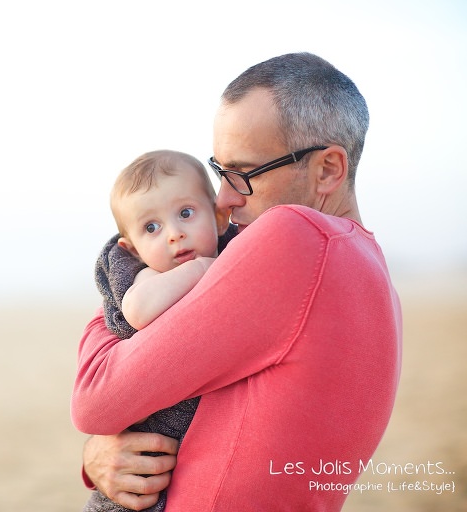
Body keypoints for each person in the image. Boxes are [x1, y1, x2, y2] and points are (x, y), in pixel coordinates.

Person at [70, 52, 403, 511]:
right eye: (219, 172)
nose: (224, 199)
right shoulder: (368, 268)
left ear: (327, 169)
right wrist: (104, 457)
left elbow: (95, 398)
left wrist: (117, 273)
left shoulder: (295, 235)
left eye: (243, 174)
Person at [87, 150, 233, 512]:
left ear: (218, 217)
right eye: (152, 227)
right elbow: (137, 310)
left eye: (185, 213)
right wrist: (201, 270)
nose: (174, 234)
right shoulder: (149, 276)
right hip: (139, 468)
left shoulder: (238, 250)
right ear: (132, 248)